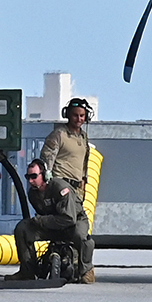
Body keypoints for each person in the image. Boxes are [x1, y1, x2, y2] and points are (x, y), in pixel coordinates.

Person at [38, 96, 98, 281]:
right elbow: (46, 159)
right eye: (75, 115)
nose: (78, 119)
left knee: (80, 230)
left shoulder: (83, 137)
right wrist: (47, 180)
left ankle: (83, 269)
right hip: (60, 187)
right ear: (67, 115)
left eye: (82, 116)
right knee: (65, 221)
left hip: (77, 190)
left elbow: (85, 164)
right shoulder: (59, 135)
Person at [5, 158, 85, 281]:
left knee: (80, 235)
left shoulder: (61, 188)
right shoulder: (33, 194)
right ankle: (28, 271)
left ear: (45, 175)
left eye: (34, 176)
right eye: (28, 177)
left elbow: (68, 218)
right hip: (52, 224)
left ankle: (84, 271)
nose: (31, 180)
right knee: (23, 228)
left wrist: (41, 221)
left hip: (72, 222)